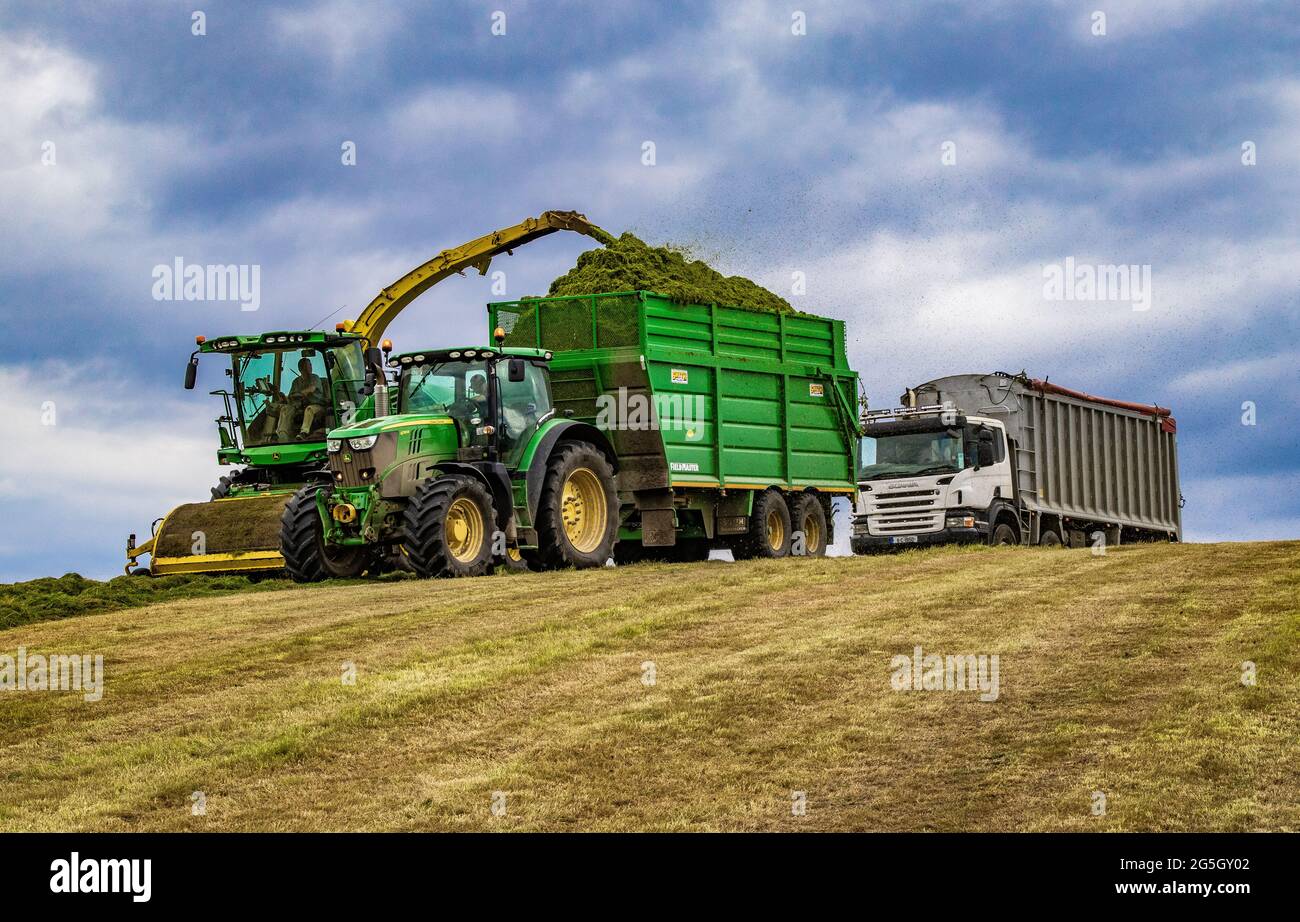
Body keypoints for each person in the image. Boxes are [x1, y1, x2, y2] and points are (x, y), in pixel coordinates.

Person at [274, 357, 327, 442]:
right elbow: (291, 397)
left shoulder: (315, 378)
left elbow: (311, 389)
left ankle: (304, 433)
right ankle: (282, 434)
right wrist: (284, 397)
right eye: (307, 366)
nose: (310, 368)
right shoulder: (296, 382)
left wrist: (299, 393)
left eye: (310, 365)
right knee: (285, 409)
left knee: (309, 409)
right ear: (300, 369)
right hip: (299, 406)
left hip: (317, 405)